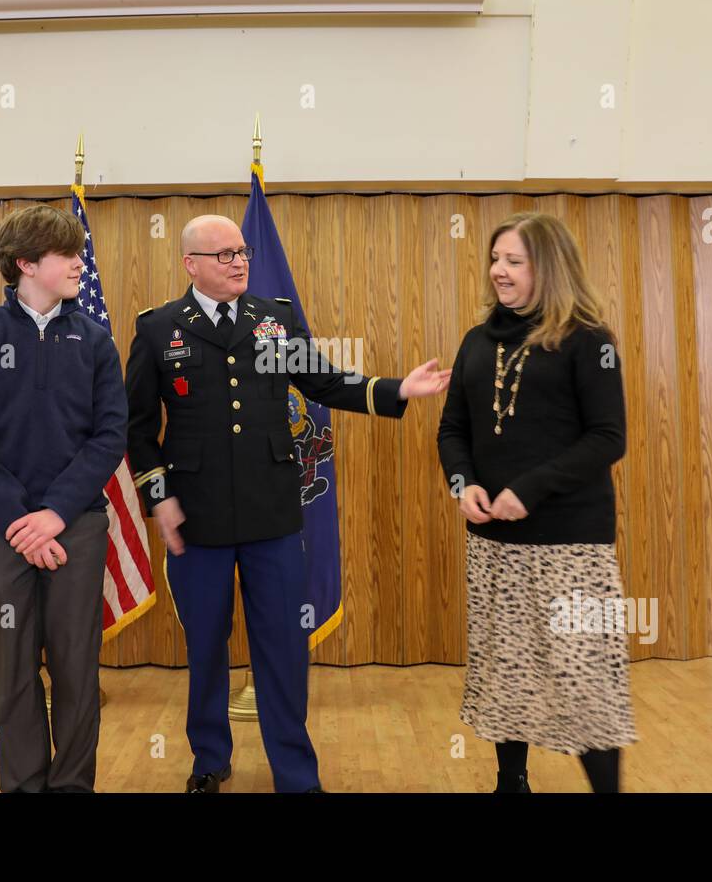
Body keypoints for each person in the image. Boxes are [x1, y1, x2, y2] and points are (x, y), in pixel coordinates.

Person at [126, 214, 450, 793]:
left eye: (241, 251)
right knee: (206, 644)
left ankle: (296, 775)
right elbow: (139, 426)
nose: (238, 261)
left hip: (272, 512)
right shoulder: (159, 329)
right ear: (190, 264)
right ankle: (208, 759)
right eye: (223, 254)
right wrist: (160, 497)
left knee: (282, 649)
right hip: (194, 517)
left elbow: (322, 383)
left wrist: (394, 389)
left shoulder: (273, 320)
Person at [436, 211, 637, 793]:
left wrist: (529, 489)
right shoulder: (476, 341)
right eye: (496, 259)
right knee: (506, 668)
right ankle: (511, 783)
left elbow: (608, 437)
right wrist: (461, 484)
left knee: (584, 681)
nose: (498, 271)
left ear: (548, 268)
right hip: (494, 543)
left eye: (514, 262)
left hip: (571, 543)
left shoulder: (589, 341)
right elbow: (452, 430)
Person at [0, 204, 128, 793]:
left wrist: (54, 514)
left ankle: (73, 787)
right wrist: (21, 519)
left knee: (76, 668)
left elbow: (109, 437)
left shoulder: (95, 342)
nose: (80, 263)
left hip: (75, 526)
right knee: (15, 672)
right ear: (26, 264)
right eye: (67, 255)